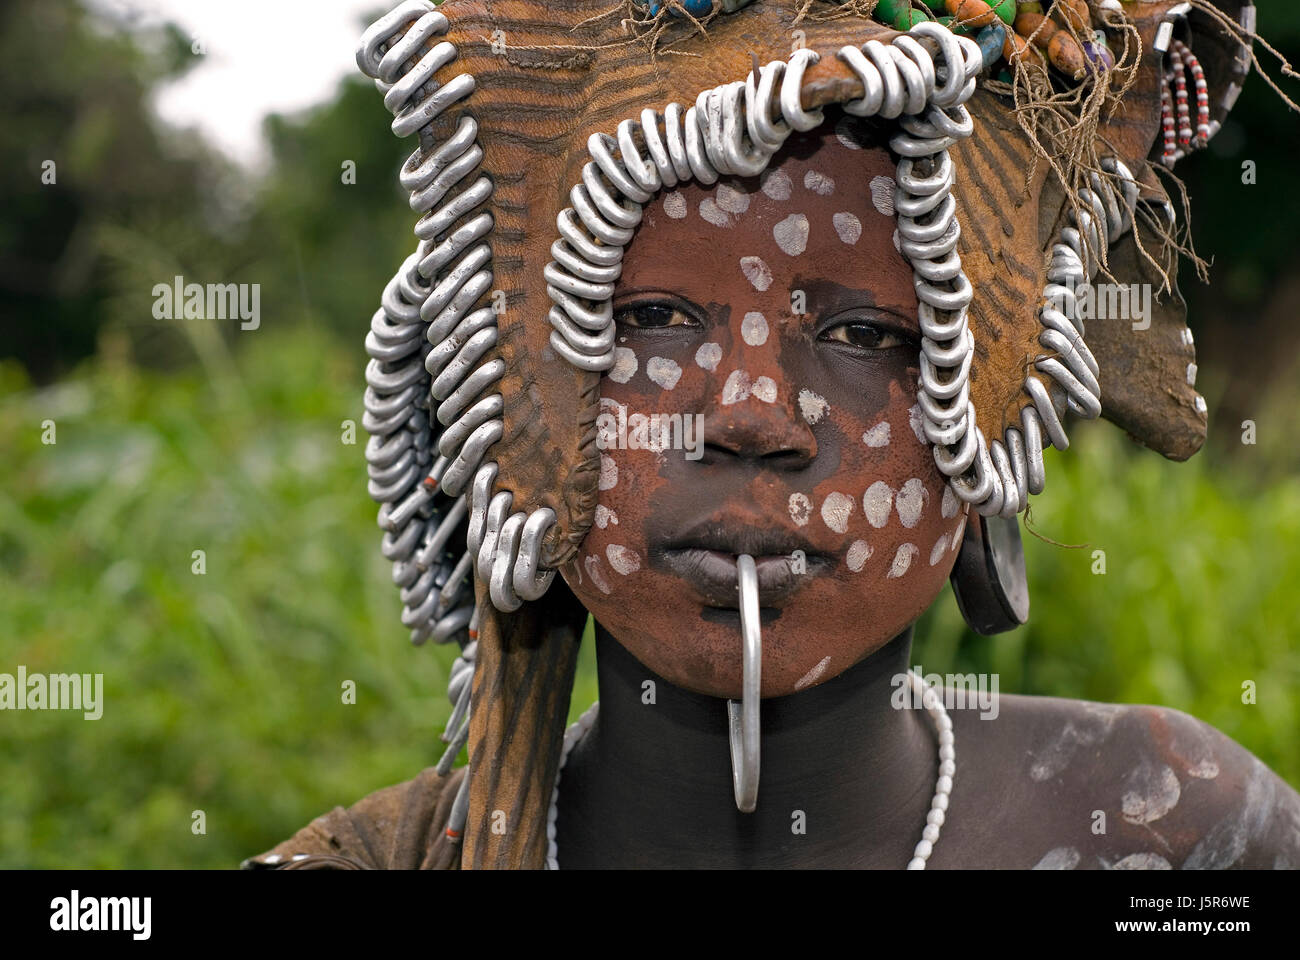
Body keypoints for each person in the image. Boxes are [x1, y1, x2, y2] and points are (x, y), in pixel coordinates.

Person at [243, 0, 1300, 870]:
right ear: (505, 419)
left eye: (862, 332)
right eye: (649, 321)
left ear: (994, 418)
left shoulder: (1176, 830)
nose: (749, 415)